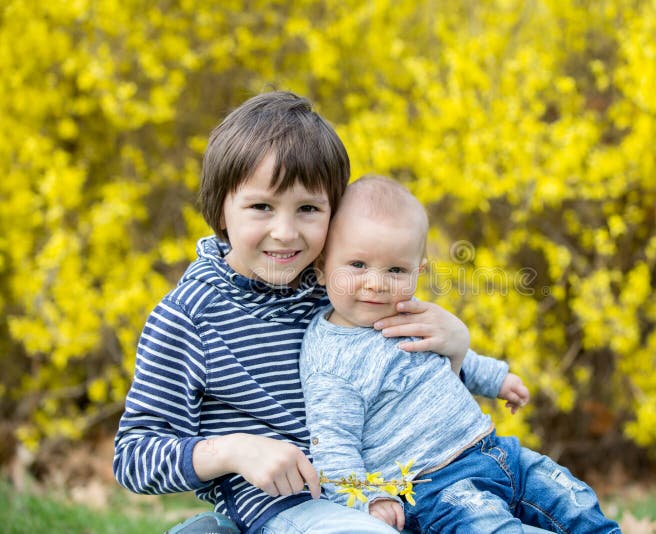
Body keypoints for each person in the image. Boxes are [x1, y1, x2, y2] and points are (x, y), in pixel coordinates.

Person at [113, 92, 473, 534]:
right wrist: (233, 451)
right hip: (282, 508)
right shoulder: (189, 318)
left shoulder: (345, 293)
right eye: (262, 206)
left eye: (308, 209)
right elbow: (134, 456)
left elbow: (408, 393)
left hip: (390, 493)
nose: (284, 233)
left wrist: (454, 351)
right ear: (221, 208)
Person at [300, 175, 621, 534]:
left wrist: (496, 379)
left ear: (417, 272)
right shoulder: (331, 361)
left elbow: (442, 360)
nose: (376, 283)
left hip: (496, 452)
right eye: (357, 265)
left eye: (395, 270)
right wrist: (367, 498)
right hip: (438, 487)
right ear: (322, 265)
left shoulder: (407, 312)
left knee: (573, 500)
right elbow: (333, 446)